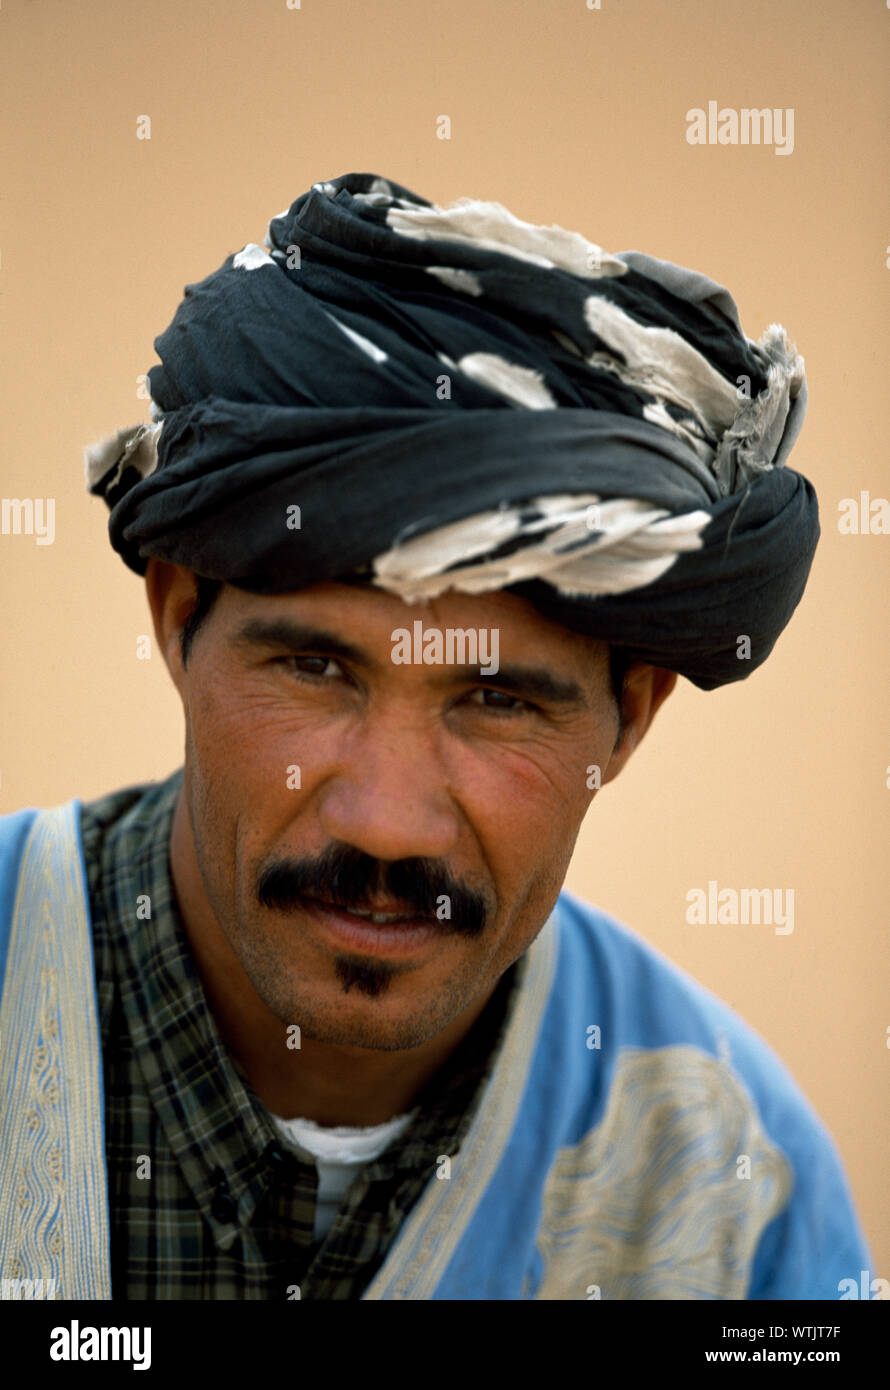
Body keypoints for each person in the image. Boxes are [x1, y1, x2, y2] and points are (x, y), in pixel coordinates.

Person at [0, 171, 871, 1300]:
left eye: (498, 699)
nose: (386, 822)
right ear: (175, 621)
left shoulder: (732, 1196)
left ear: (630, 716)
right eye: (314, 668)